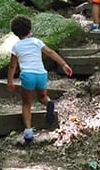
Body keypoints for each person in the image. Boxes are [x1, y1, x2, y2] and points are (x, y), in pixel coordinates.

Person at [7, 14, 73, 145]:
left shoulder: (16, 47)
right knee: (42, 96)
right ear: (30, 29)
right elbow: (50, 52)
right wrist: (64, 64)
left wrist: (10, 81)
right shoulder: (37, 42)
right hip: (41, 74)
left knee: (27, 103)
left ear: (15, 33)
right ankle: (49, 103)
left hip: (28, 76)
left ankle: (28, 132)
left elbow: (12, 65)